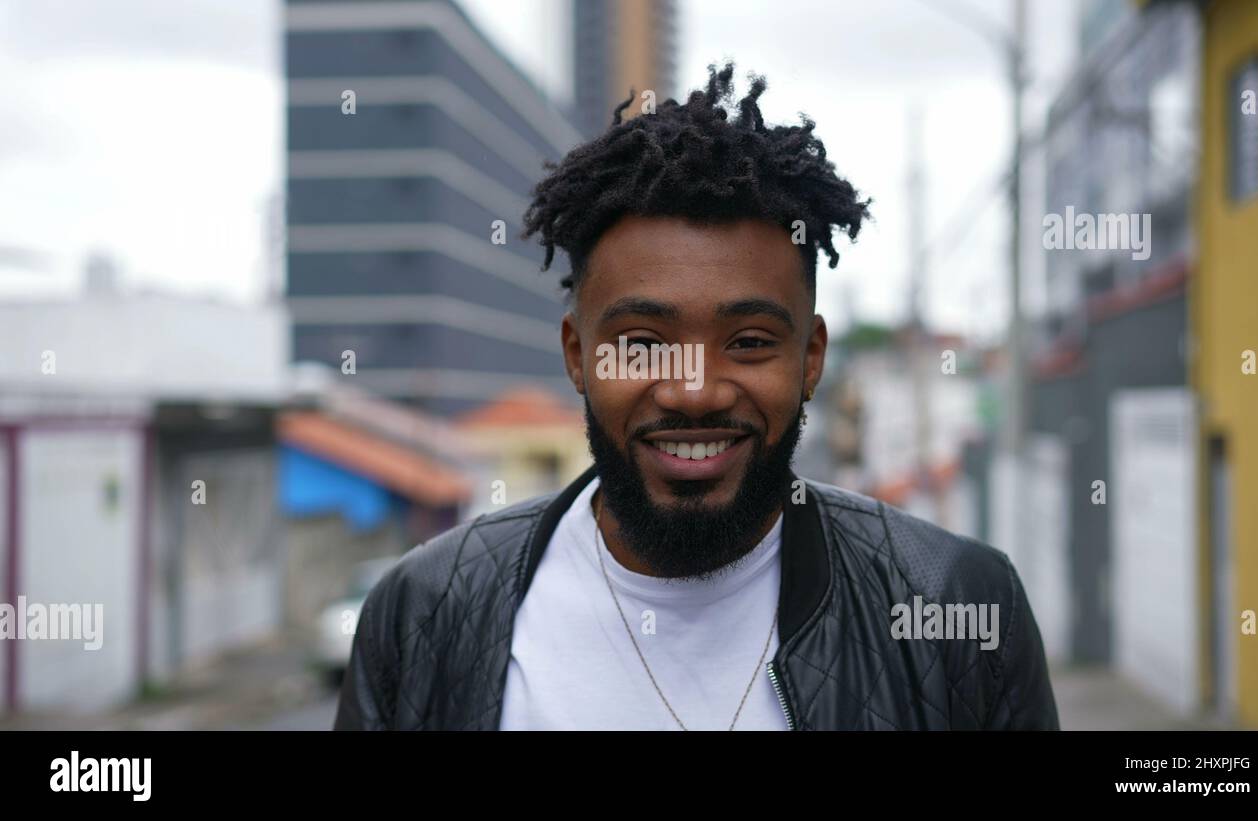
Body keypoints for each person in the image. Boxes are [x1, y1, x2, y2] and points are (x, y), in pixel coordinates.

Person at [334, 63, 1058, 731]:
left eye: (748, 341)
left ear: (811, 359)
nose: (693, 390)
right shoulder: (424, 612)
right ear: (578, 356)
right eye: (643, 342)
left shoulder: (953, 602)